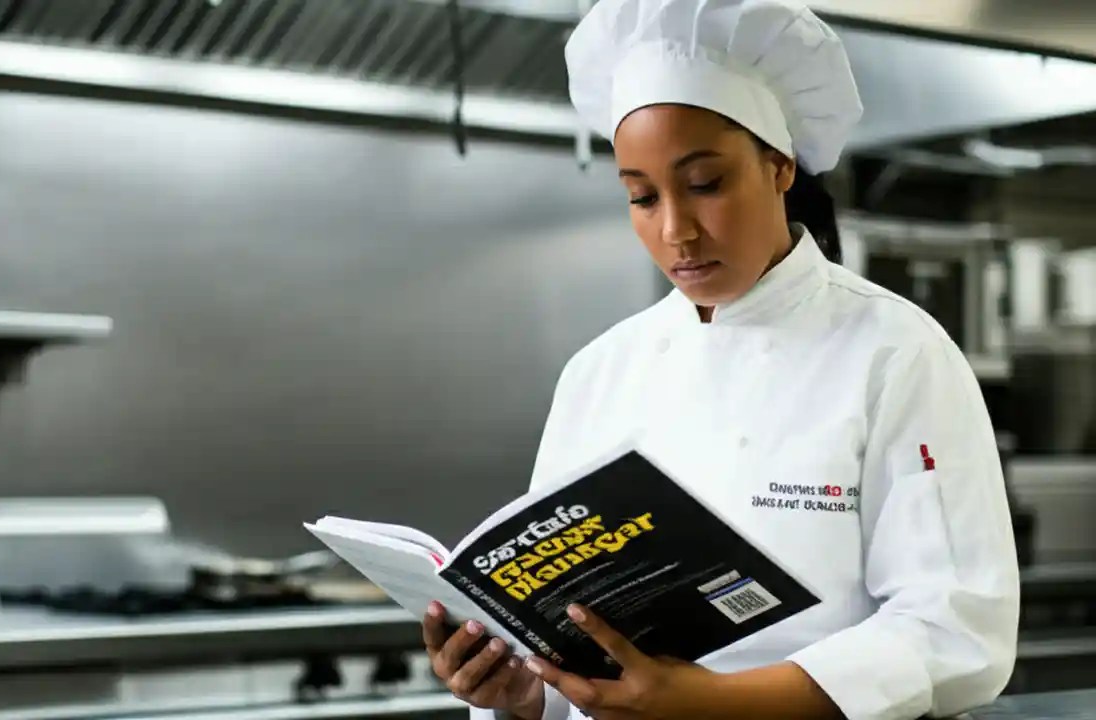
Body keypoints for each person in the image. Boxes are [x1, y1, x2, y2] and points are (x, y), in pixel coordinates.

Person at [421, 0, 1021, 719]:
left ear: (778, 166)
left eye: (704, 184)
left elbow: (953, 632)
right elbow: (571, 649)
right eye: (641, 197)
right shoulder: (600, 371)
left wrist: (720, 703)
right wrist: (527, 694)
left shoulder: (894, 352)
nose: (676, 230)